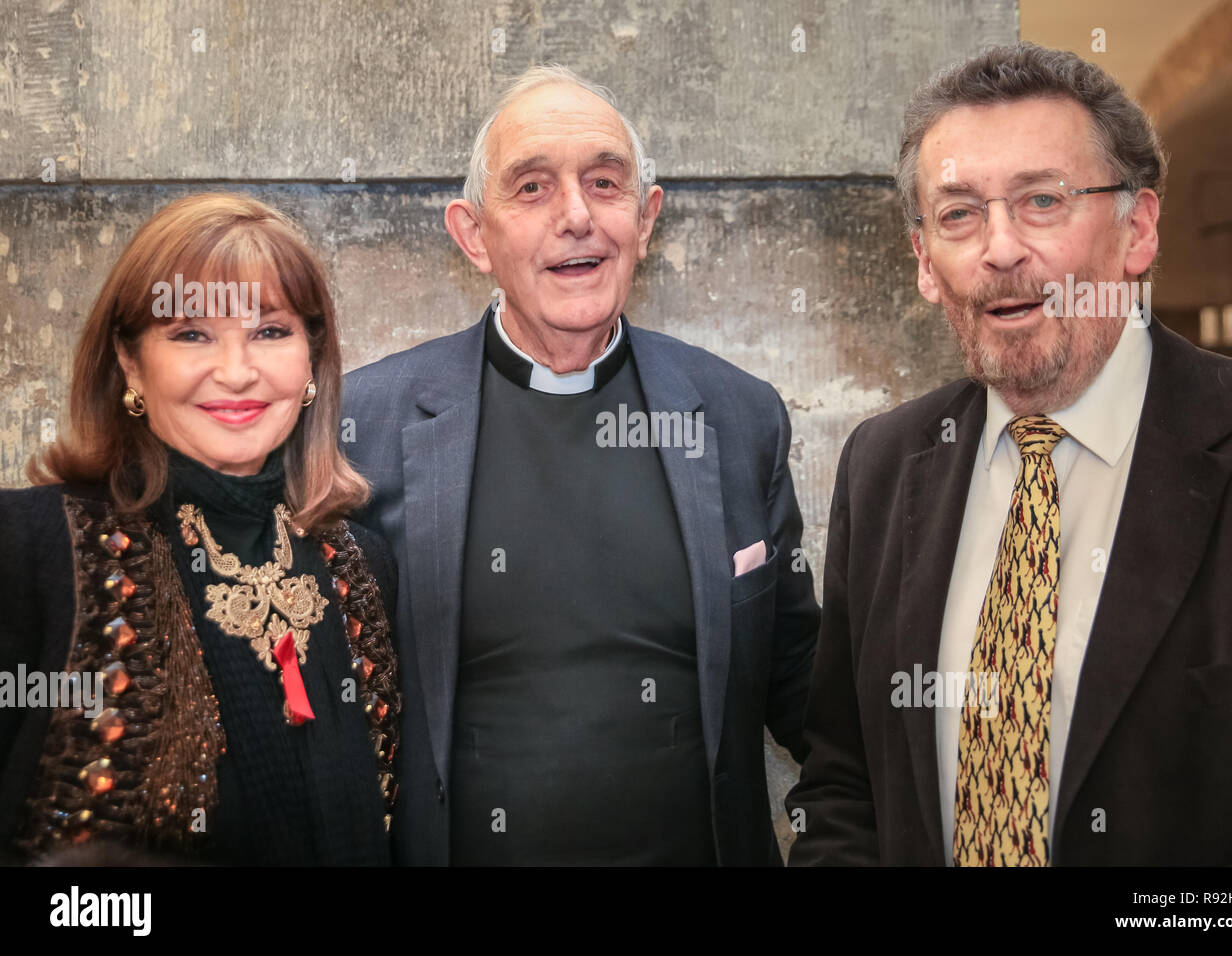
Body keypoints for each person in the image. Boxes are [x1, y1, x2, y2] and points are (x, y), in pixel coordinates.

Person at [787, 42, 1232, 866]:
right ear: (924, 263)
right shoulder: (882, 468)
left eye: (1042, 201)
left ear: (1138, 230)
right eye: (959, 214)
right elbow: (844, 781)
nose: (999, 249)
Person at [342, 65, 819, 865]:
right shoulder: (364, 426)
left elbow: (805, 687)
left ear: (645, 216)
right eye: (531, 188)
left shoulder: (740, 416)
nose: (575, 217)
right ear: (473, 235)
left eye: (604, 182)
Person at [0, 193, 400, 865]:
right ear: (130, 362)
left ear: (311, 359)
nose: (237, 371)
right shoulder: (30, 548)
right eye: (191, 334)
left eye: (270, 331)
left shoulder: (361, 564)